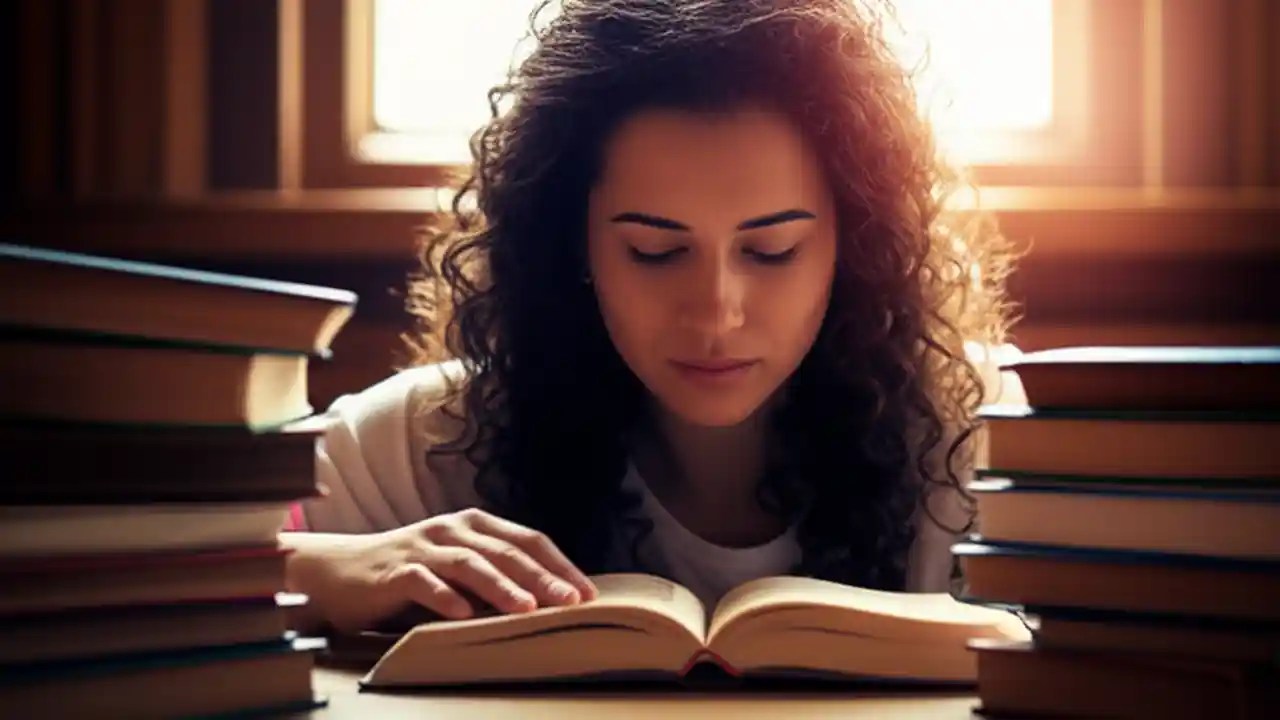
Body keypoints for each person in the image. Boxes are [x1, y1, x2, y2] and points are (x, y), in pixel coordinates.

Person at [283, 0, 1023, 634]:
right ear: (570, 244)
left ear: (853, 248)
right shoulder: (415, 449)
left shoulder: (983, 437)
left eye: (772, 251)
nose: (717, 312)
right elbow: (172, 570)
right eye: (655, 252)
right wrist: (315, 570)